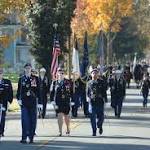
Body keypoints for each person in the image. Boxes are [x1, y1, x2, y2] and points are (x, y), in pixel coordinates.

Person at [16, 63, 41, 144]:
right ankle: (24, 138)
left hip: (33, 102)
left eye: (29, 68)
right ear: (24, 69)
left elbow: (38, 91)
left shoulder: (35, 78)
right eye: (26, 68)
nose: (27, 69)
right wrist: (19, 99)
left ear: (31, 69)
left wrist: (40, 102)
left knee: (33, 120)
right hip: (24, 103)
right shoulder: (21, 79)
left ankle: (31, 138)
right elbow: (19, 91)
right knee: (25, 120)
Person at [50, 67, 74, 136]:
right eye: (59, 72)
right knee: (59, 115)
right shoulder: (54, 82)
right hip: (58, 102)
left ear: (64, 74)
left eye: (62, 73)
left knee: (66, 116)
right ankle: (60, 131)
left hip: (66, 101)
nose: (60, 74)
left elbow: (72, 92)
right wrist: (52, 100)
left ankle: (67, 128)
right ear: (57, 73)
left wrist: (72, 100)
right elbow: (52, 92)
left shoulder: (68, 82)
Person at [86, 68, 106, 136]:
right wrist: (87, 98)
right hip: (92, 102)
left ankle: (99, 126)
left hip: (100, 102)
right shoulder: (89, 83)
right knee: (92, 117)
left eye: (96, 73)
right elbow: (87, 92)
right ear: (91, 74)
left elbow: (104, 92)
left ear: (98, 74)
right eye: (93, 73)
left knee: (101, 117)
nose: (94, 74)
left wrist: (105, 100)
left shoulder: (101, 82)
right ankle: (94, 131)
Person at [0, 68, 13, 139]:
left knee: (2, 117)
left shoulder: (7, 82)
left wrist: (9, 101)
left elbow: (10, 92)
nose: (0, 75)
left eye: (1, 73)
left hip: (4, 103)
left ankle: (1, 132)